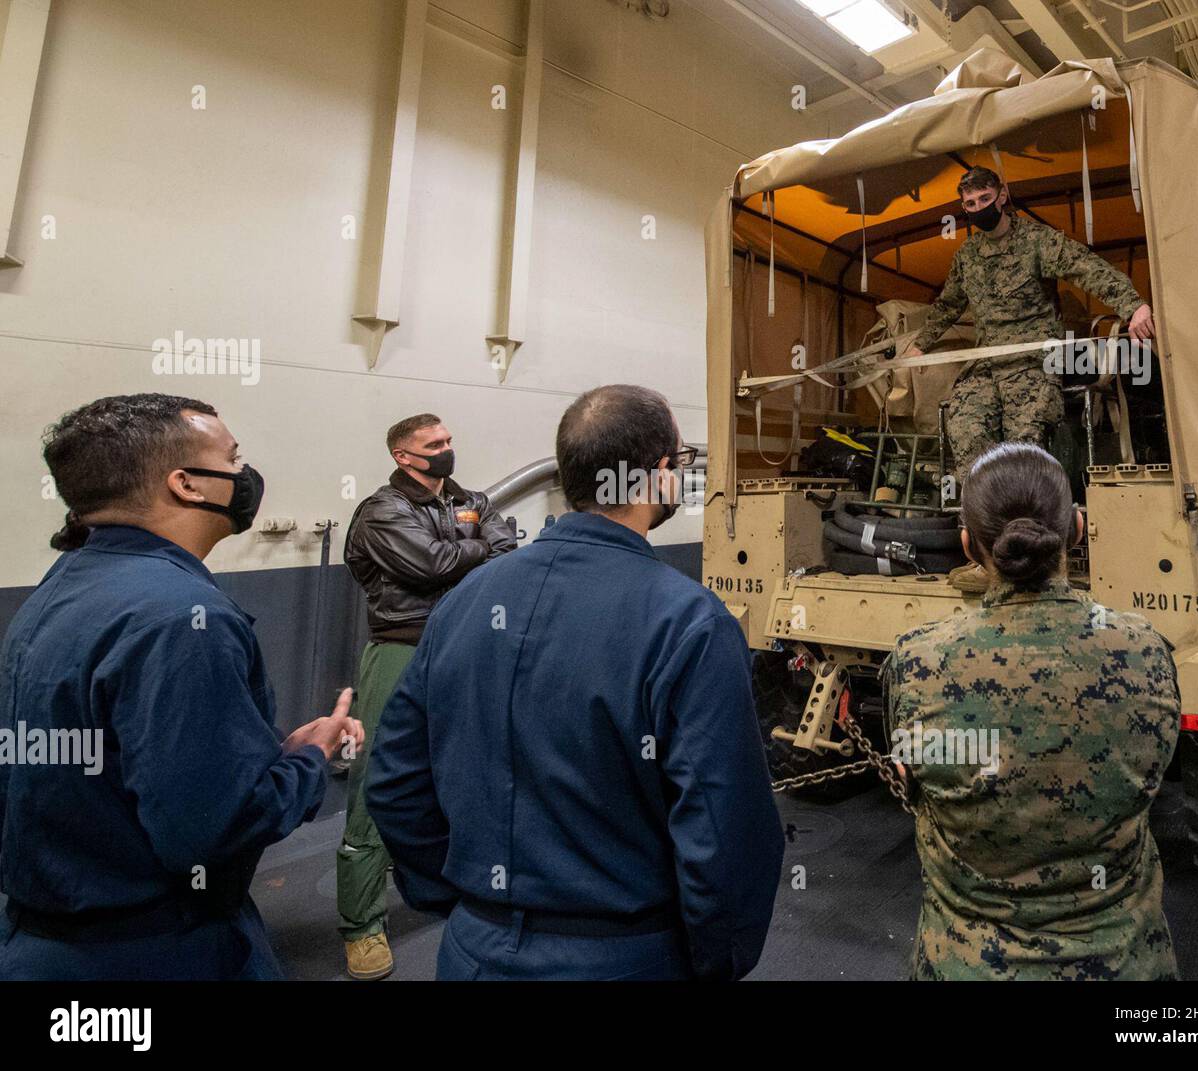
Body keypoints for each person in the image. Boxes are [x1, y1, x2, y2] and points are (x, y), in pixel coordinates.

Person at [367, 384, 784, 981]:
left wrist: (464, 903)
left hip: (470, 953)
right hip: (624, 957)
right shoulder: (690, 622)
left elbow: (395, 782)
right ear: (659, 473)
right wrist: (714, 961)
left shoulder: (465, 602)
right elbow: (723, 831)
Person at [0, 394, 361, 981]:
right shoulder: (183, 619)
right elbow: (214, 828)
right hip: (154, 949)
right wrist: (309, 759)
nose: (245, 474)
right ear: (188, 484)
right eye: (234, 458)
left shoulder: (67, 582)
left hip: (47, 935)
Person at [882, 442, 1181, 980]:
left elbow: (914, 778)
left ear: (969, 545)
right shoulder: (1145, 652)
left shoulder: (917, 662)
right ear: (1077, 530)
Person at [905, 167, 1154, 590]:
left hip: (1035, 362)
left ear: (1003, 195)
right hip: (987, 365)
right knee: (967, 430)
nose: (978, 209)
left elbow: (1085, 268)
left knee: (1022, 450)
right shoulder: (967, 256)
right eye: (969, 204)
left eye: (985, 199)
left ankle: (1034, 557)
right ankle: (988, 557)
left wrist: (1132, 306)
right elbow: (947, 304)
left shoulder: (1036, 241)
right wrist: (919, 345)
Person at [338, 413, 515, 979]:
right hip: (403, 649)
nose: (446, 450)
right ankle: (362, 926)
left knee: (469, 770)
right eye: (433, 445)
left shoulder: (470, 499)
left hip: (469, 646)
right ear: (402, 457)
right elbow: (429, 564)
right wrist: (477, 547)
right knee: (374, 785)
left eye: (448, 440)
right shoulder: (381, 510)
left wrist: (474, 546)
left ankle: (459, 889)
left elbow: (508, 549)